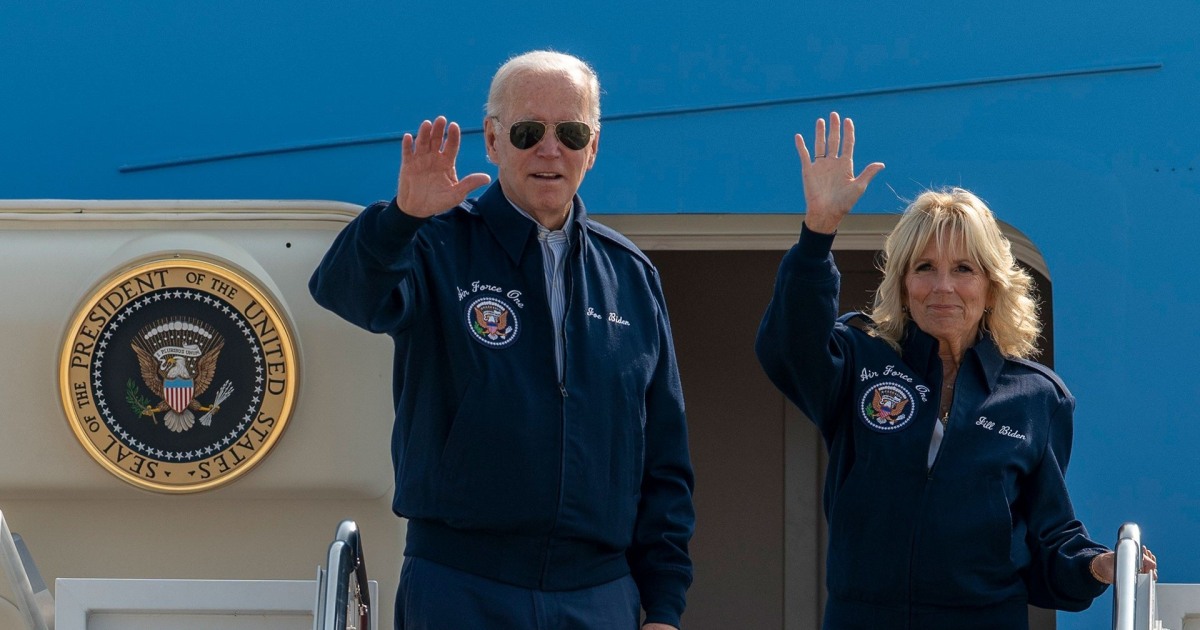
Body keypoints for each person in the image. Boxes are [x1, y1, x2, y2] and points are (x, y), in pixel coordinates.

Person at [309, 50, 694, 630]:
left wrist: (663, 608)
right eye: (527, 131)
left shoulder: (631, 277)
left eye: (570, 132)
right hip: (461, 588)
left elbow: (664, 458)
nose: (549, 149)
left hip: (598, 596)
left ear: (592, 146)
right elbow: (344, 292)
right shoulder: (435, 243)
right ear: (492, 140)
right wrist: (401, 219)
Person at [755, 112, 1156, 629]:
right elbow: (789, 347)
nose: (943, 286)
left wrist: (1096, 566)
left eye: (963, 269)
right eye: (924, 268)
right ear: (903, 285)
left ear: (992, 286)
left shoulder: (1037, 398)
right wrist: (818, 233)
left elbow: (1049, 539)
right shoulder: (860, 359)